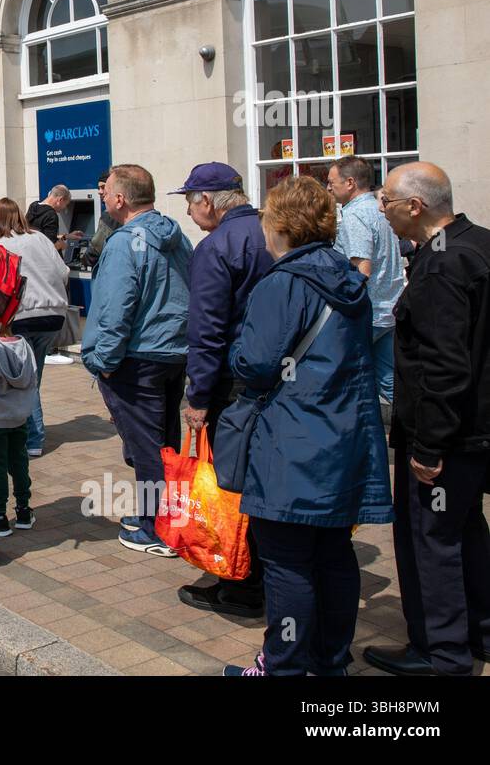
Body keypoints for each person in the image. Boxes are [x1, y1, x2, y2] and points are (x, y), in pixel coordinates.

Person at [222, 176, 393, 676]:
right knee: (334, 555)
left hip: (294, 441)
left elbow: (254, 364)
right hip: (345, 435)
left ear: (280, 225)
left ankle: (286, 666)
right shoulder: (348, 278)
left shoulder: (282, 283)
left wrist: (236, 349)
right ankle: (329, 661)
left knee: (288, 561)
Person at [364, 163, 490, 677]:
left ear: (415, 206)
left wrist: (429, 446)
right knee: (466, 532)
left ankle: (442, 654)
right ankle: (477, 632)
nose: (381, 211)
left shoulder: (444, 265)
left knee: (431, 541)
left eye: (387, 201)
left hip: (448, 434)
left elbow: (445, 364)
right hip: (473, 429)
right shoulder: (475, 242)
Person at [169, 162, 273, 618]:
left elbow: (207, 332)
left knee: (231, 486)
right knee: (266, 483)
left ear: (207, 200)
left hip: (233, 386)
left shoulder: (216, 247)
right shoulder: (275, 232)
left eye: (191, 203)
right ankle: (268, 576)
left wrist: (198, 398)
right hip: (278, 381)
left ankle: (241, 583)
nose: (190, 213)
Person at [81, 164, 192, 557]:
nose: (103, 197)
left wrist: (105, 361)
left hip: (137, 358)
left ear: (120, 199)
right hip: (172, 354)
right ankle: (160, 517)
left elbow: (115, 308)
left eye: (106, 191)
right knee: (164, 444)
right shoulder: (177, 237)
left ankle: (159, 529)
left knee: (147, 448)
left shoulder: (124, 242)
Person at [0, 198, 69, 459]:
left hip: (19, 316)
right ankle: (30, 433)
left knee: (25, 381)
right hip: (53, 316)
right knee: (33, 378)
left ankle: (32, 438)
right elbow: (63, 271)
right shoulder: (40, 239)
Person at [325, 156, 406, 404]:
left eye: (331, 182)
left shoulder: (355, 215)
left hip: (369, 312)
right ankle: (415, 431)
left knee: (348, 379)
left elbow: (362, 270)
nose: (328, 187)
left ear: (350, 182)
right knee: (388, 379)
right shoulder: (379, 210)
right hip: (388, 308)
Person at [0, 320, 38, 537]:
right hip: (19, 416)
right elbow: (33, 379)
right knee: (19, 462)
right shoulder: (25, 347)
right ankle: (23, 509)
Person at [26, 184, 84, 256]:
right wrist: (63, 245)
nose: (65, 208)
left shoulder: (33, 206)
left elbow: (43, 236)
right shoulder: (51, 215)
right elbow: (51, 246)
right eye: (65, 204)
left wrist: (66, 236)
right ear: (60, 200)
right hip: (46, 263)